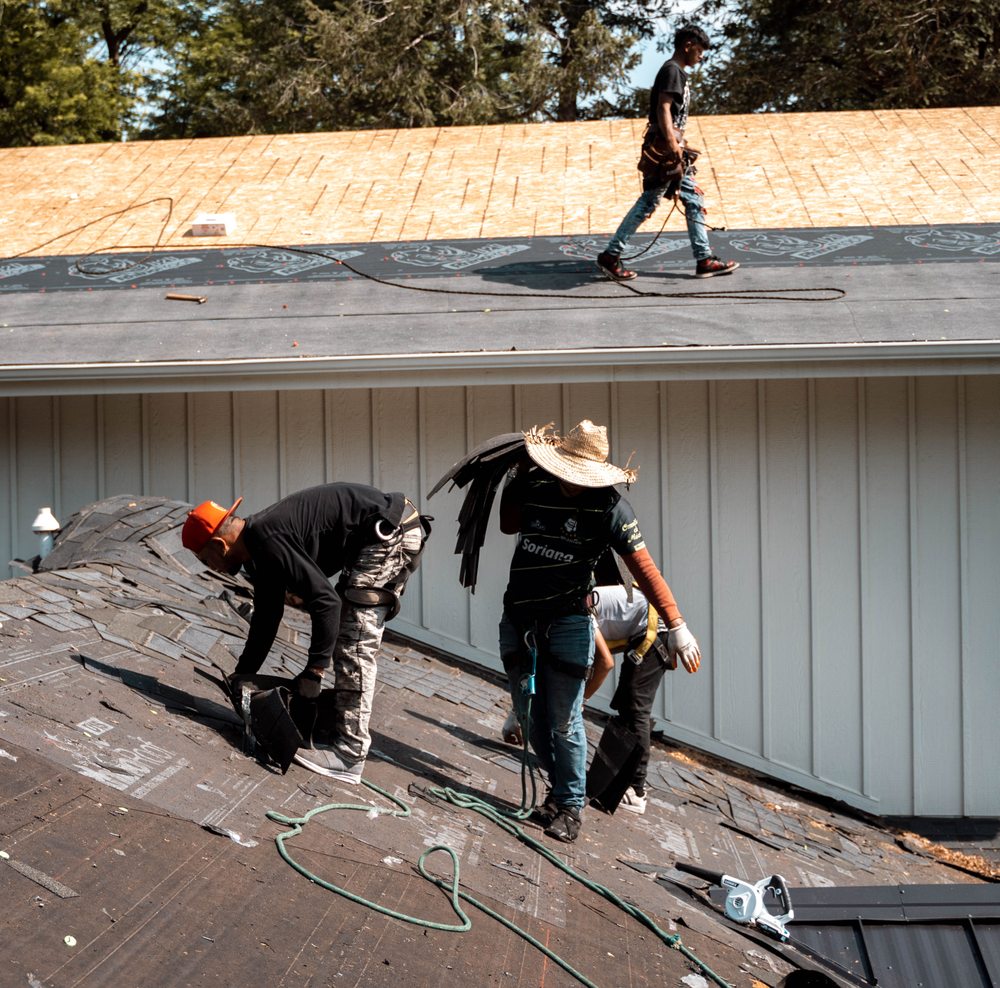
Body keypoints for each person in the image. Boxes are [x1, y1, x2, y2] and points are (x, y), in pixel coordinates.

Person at [498, 420, 701, 843]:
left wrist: (677, 624)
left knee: (563, 719)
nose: (572, 482)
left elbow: (644, 570)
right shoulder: (537, 487)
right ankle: (560, 789)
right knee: (529, 716)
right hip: (519, 617)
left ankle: (571, 806)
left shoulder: (611, 509)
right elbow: (508, 523)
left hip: (570, 621)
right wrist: (516, 476)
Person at [181, 483, 429, 783]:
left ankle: (349, 753)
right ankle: (337, 730)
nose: (214, 569)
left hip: (390, 532)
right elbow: (267, 618)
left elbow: (327, 603)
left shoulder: (266, 536)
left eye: (207, 561)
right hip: (379, 533)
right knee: (344, 633)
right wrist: (243, 674)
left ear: (220, 546)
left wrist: (313, 673)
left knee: (354, 641)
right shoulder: (259, 553)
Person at [502, 583, 699, 815]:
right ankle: (614, 783)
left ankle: (636, 791)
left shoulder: (574, 611)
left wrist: (580, 700)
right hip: (638, 626)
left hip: (658, 631)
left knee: (635, 707)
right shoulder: (547, 620)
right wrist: (517, 712)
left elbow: (605, 663)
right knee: (625, 704)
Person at [596, 23, 739, 282]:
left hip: (673, 149)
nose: (702, 56)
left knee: (693, 200)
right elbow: (663, 109)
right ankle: (611, 255)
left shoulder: (676, 72)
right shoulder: (672, 71)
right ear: (687, 45)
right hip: (666, 151)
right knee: (648, 202)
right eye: (699, 50)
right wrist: (673, 147)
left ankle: (704, 259)